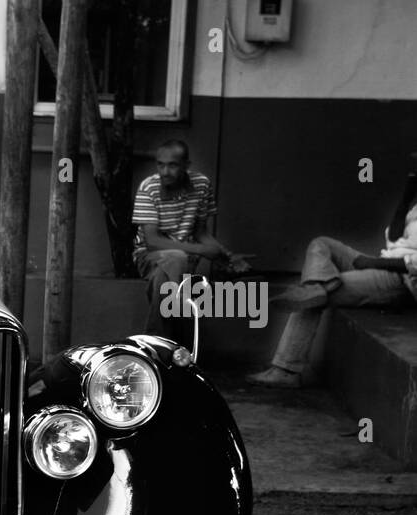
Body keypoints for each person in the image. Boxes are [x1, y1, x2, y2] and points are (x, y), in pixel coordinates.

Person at [247, 163, 417, 388]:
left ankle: (286, 370)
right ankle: (318, 286)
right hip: (382, 263)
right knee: (321, 244)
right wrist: (409, 188)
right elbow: (394, 237)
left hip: (400, 278)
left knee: (310, 297)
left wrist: (372, 262)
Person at [132, 140, 246, 337]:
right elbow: (152, 242)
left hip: (183, 262)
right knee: (177, 258)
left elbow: (201, 234)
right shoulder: (148, 187)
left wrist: (227, 256)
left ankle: (156, 344)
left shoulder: (202, 185)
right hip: (149, 257)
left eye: (172, 165)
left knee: (162, 279)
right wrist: (201, 250)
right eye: (160, 164)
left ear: (186, 165)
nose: (165, 171)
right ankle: (183, 318)